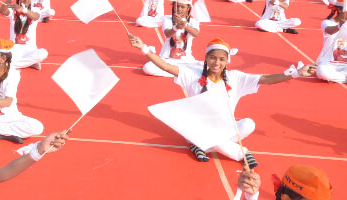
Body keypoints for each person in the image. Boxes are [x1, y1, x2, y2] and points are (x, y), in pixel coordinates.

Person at [128, 35, 315, 166]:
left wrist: (296, 73)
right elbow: (167, 66)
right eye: (213, 58)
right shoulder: (192, 75)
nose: (217, 63)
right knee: (216, 138)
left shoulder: (235, 77)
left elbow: (265, 79)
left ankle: (203, 147)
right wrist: (143, 48)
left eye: (222, 59)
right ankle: (241, 153)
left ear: (227, 61)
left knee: (248, 124)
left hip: (223, 128)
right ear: (206, 58)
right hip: (197, 129)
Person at [142, 0, 200, 77]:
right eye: (177, 6)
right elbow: (167, 34)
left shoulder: (193, 22)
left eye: (182, 7)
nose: (179, 9)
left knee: (204, 70)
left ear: (188, 8)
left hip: (186, 60)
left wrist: (184, 24)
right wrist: (176, 27)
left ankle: (177, 72)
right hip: (166, 60)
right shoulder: (167, 19)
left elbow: (195, 33)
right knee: (148, 68)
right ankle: (180, 73)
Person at [0, 0, 48, 70]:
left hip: (30, 48)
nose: (26, 0)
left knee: (43, 53)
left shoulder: (35, 9)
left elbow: (35, 16)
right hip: (14, 47)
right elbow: (2, 11)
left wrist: (23, 10)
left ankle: (12, 65)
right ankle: (29, 63)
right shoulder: (13, 9)